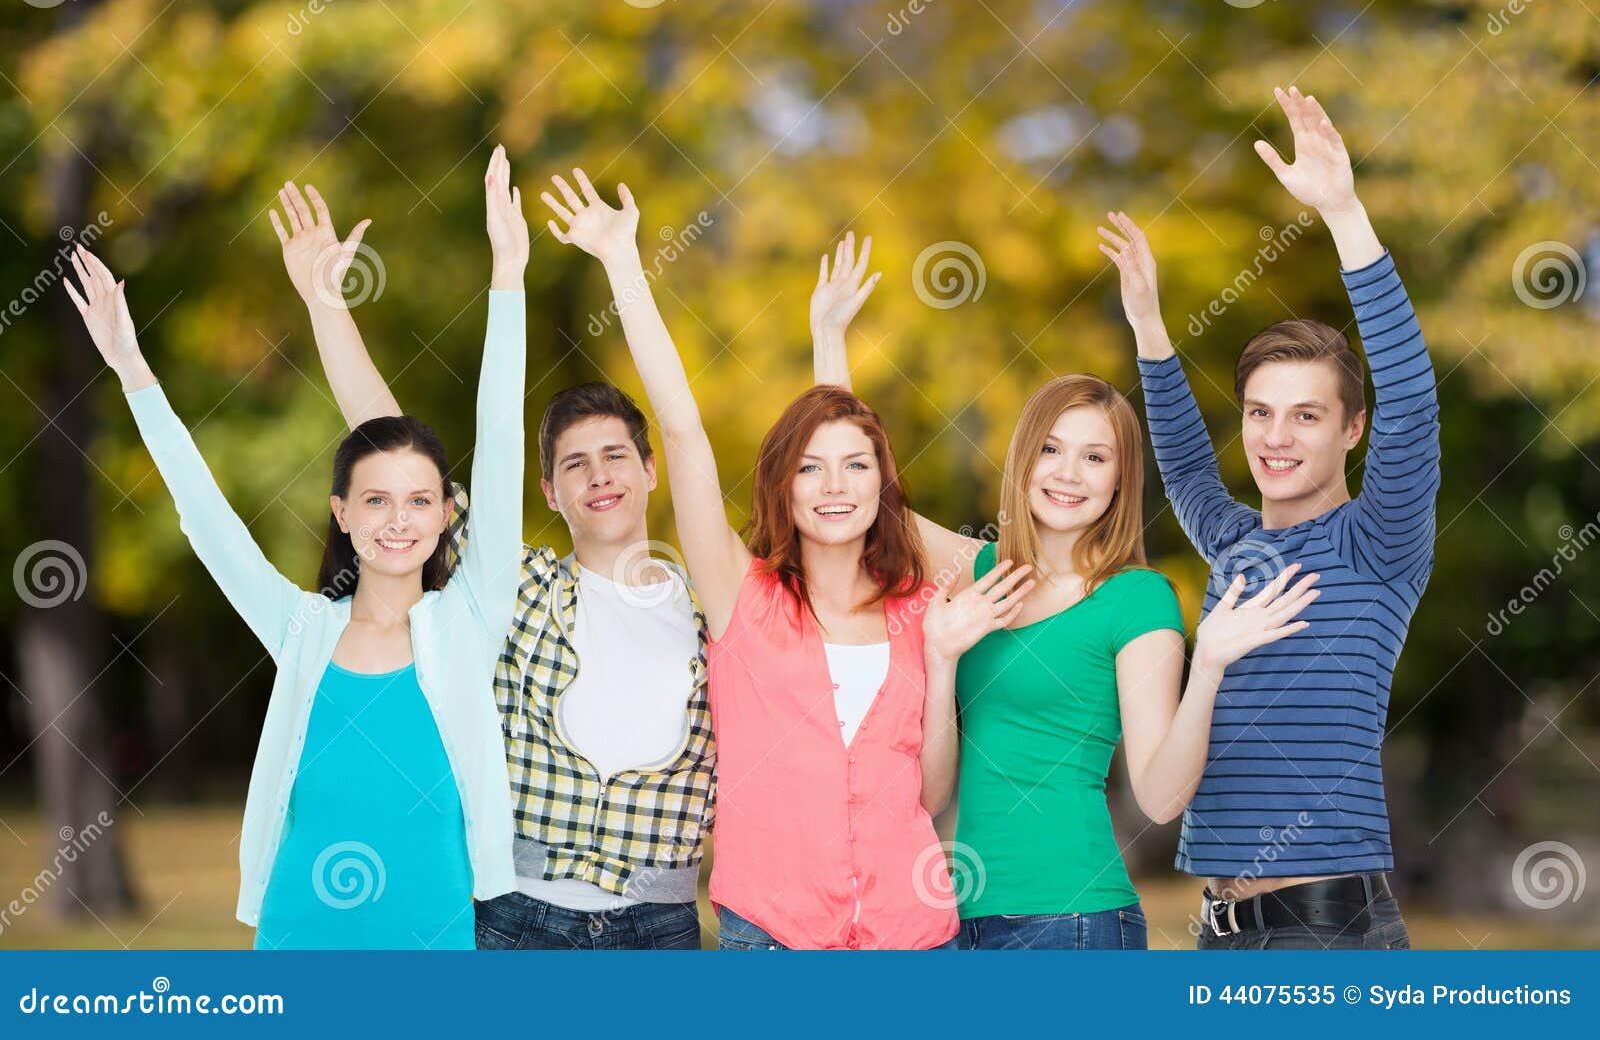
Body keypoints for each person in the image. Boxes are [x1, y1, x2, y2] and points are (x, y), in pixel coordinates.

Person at [539, 171, 1026, 950]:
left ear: (884, 484)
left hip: (916, 941)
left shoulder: (918, 612)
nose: (834, 487)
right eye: (809, 468)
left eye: (857, 467)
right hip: (771, 939)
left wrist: (940, 656)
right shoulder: (742, 597)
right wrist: (622, 263)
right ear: (782, 486)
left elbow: (931, 796)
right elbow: (683, 426)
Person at [62, 149, 527, 948]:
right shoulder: (303, 629)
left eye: (420, 500)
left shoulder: (471, 618)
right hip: (298, 932)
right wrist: (132, 368)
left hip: (435, 933)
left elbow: (501, 435)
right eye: (376, 499)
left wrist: (508, 275)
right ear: (342, 513)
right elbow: (208, 522)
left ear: (447, 514)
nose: (398, 519)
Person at [814, 246, 1319, 951]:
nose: (1069, 474)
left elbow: (1162, 794)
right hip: (956, 917)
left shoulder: (1136, 599)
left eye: (1095, 456)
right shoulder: (978, 572)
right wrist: (829, 340)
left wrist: (1209, 667)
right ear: (1023, 460)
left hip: (1074, 920)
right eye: (1051, 449)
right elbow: (864, 494)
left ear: (1120, 479)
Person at [272, 154, 711, 951]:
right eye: (573, 464)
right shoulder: (513, 584)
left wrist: (620, 260)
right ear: (549, 492)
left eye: (616, 455)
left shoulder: (710, 606)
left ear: (650, 470)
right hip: (519, 919)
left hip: (662, 925)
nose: (598, 475)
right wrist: (326, 305)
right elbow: (391, 442)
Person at [1103, 85, 1441, 949]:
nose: (1277, 436)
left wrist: (1344, 212)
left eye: (1306, 414)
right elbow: (1179, 460)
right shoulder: (1233, 546)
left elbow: (1411, 395)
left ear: (1352, 428)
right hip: (1222, 929)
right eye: (1260, 412)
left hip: (1325, 929)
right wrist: (1147, 319)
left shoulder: (1378, 541)